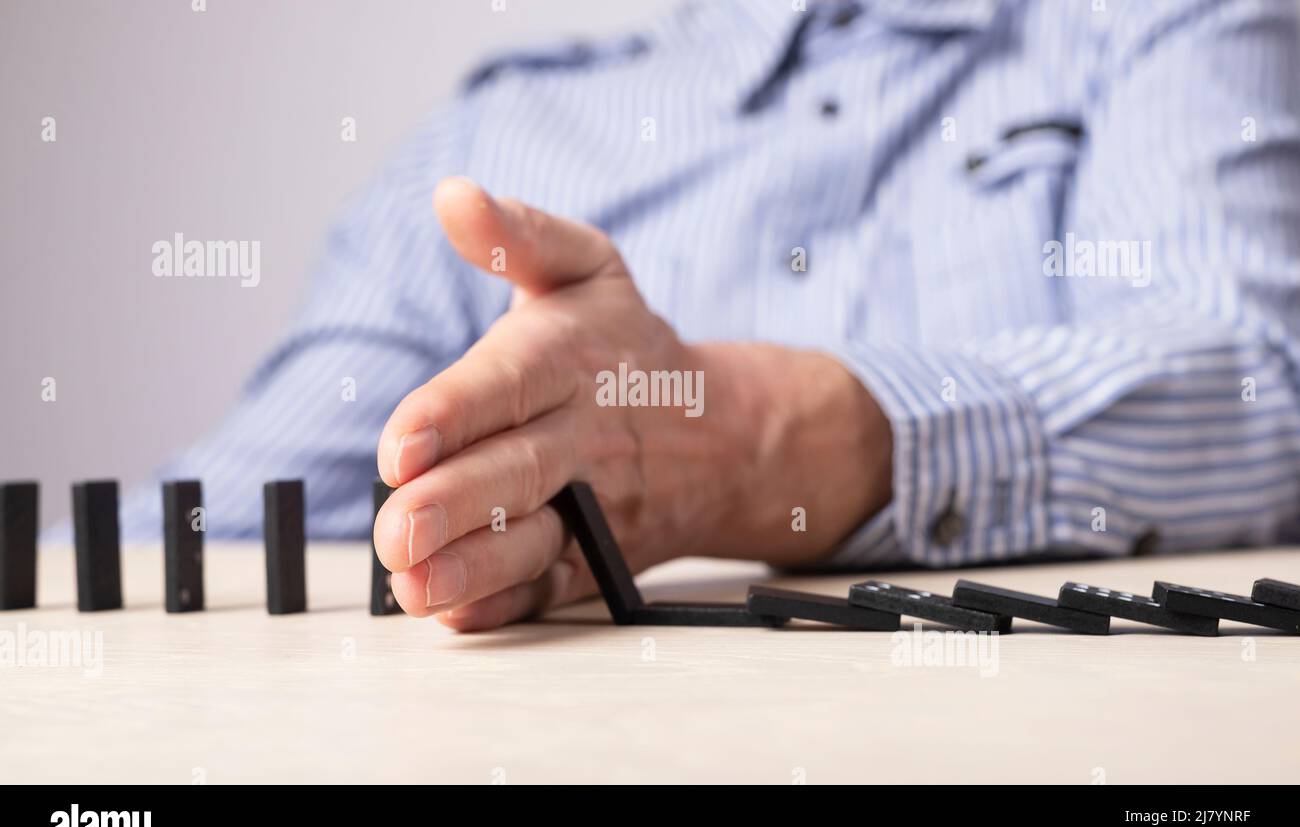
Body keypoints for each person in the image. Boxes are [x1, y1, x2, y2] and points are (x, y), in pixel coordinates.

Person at [121, 0, 1300, 630]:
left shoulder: (1160, 22)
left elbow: (1262, 382)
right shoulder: (500, 135)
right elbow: (200, 527)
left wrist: (759, 437)